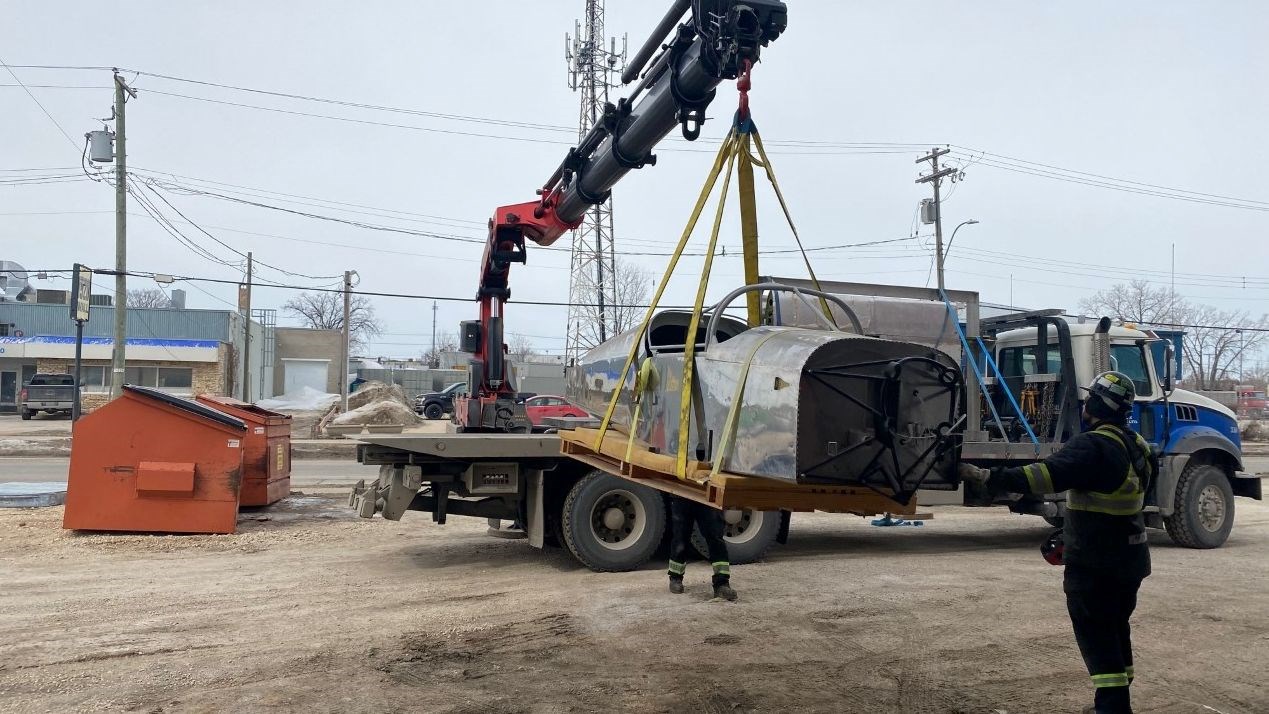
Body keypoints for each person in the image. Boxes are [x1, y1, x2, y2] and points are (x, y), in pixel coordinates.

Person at [960, 371, 1154, 714]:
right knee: (1114, 627)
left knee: (1096, 634)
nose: (1085, 404)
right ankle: (1117, 700)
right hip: (1130, 559)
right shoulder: (1136, 445)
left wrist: (986, 476)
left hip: (1095, 564)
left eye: (1090, 399)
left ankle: (1112, 708)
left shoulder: (1092, 445)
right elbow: (1122, 499)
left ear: (1096, 405)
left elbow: (1043, 476)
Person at [666, 496, 737, 601]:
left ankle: (722, 583)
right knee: (680, 537)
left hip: (709, 495)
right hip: (683, 493)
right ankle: (675, 577)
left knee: (715, 536)